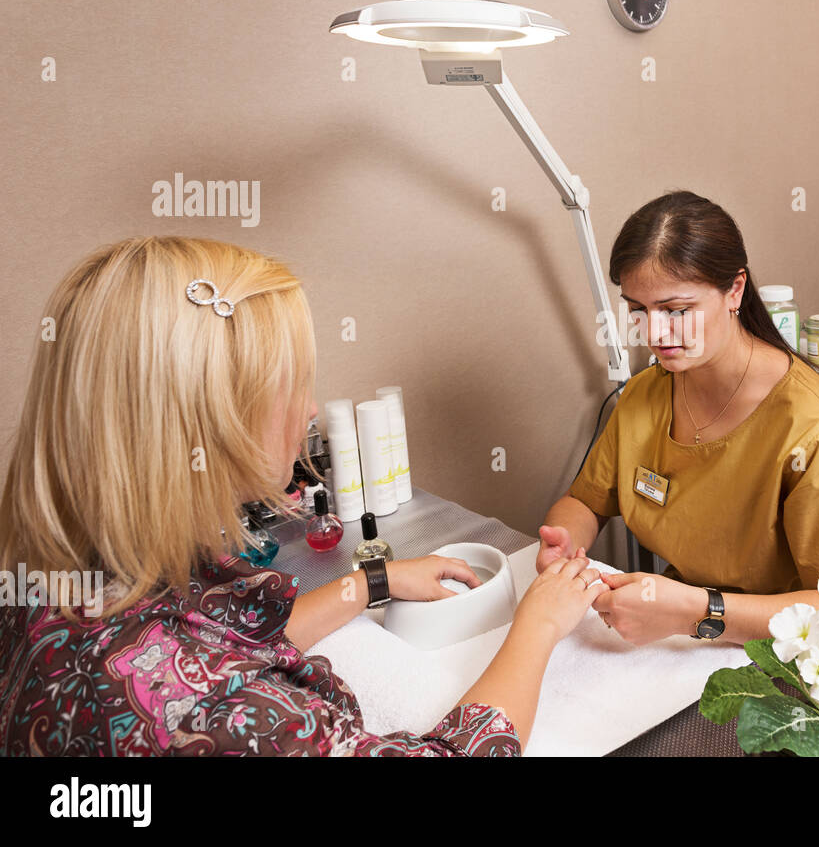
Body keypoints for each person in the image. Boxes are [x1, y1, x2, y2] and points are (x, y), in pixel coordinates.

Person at [0, 236, 608, 756]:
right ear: (209, 421)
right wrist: (538, 625)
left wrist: (373, 581)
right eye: (291, 385)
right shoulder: (214, 717)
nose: (311, 408)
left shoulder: (57, 583)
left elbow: (226, 635)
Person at [537, 191, 819, 645]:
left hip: (780, 653)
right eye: (637, 310)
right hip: (680, 636)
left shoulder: (811, 427)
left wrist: (697, 611)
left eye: (677, 310)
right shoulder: (648, 393)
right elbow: (585, 501)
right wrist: (564, 543)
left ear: (735, 290)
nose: (654, 333)